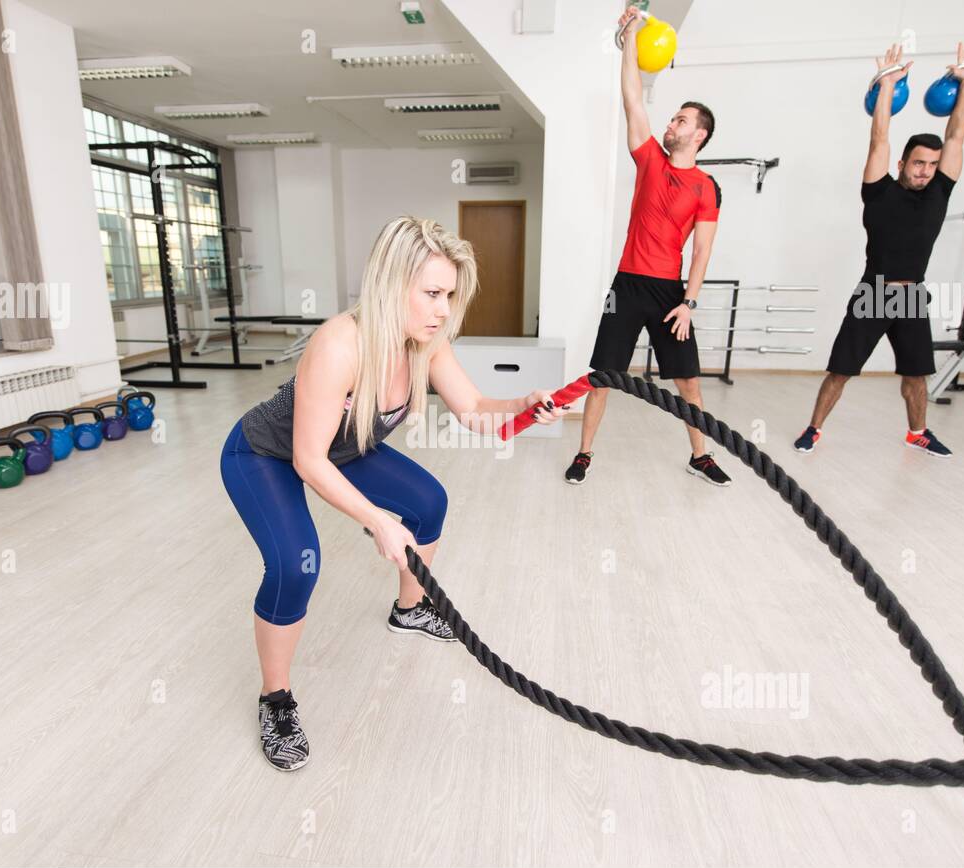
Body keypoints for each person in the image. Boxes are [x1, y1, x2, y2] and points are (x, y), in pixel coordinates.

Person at [220, 216, 567, 771]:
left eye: (449, 296)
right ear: (390, 284)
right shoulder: (341, 345)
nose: (443, 310)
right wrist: (378, 520)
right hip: (265, 455)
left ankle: (409, 609)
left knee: (428, 502)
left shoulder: (427, 343)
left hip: (343, 448)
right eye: (432, 294)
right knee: (295, 565)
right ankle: (276, 700)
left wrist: (524, 406)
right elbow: (308, 460)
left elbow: (476, 412)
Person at [565, 3, 729, 487]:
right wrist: (631, 35)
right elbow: (632, 98)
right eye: (673, 118)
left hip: (669, 294)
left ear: (699, 134)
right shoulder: (651, 160)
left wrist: (689, 303)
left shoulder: (706, 187)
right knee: (604, 376)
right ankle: (585, 454)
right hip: (628, 285)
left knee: (689, 384)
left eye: (681, 120)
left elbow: (701, 252)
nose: (670, 124)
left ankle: (700, 456)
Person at [795, 43, 964, 458]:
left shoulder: (939, 194)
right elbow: (879, 136)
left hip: (912, 295)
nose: (926, 171)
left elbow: (957, 134)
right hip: (873, 292)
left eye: (932, 165)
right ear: (902, 163)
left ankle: (918, 432)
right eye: (918, 163)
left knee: (917, 375)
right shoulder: (878, 191)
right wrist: (886, 85)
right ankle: (813, 429)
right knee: (841, 370)